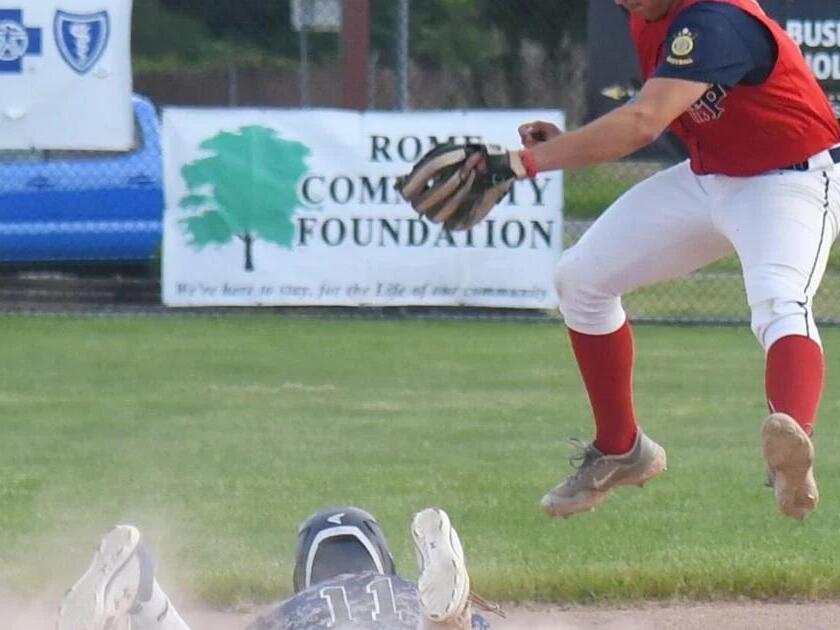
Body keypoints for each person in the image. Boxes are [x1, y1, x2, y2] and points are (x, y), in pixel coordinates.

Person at [470, 0, 838, 521]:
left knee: (780, 300)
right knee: (581, 279)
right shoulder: (646, 14)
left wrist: (522, 162)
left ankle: (791, 451)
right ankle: (621, 448)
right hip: (708, 176)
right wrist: (569, 145)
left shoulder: (715, 18)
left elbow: (642, 122)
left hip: (790, 180)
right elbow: (659, 107)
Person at [57, 507, 493, 630]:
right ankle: (442, 623)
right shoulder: (403, 589)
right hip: (412, 618)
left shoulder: (295, 609)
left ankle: (145, 591)